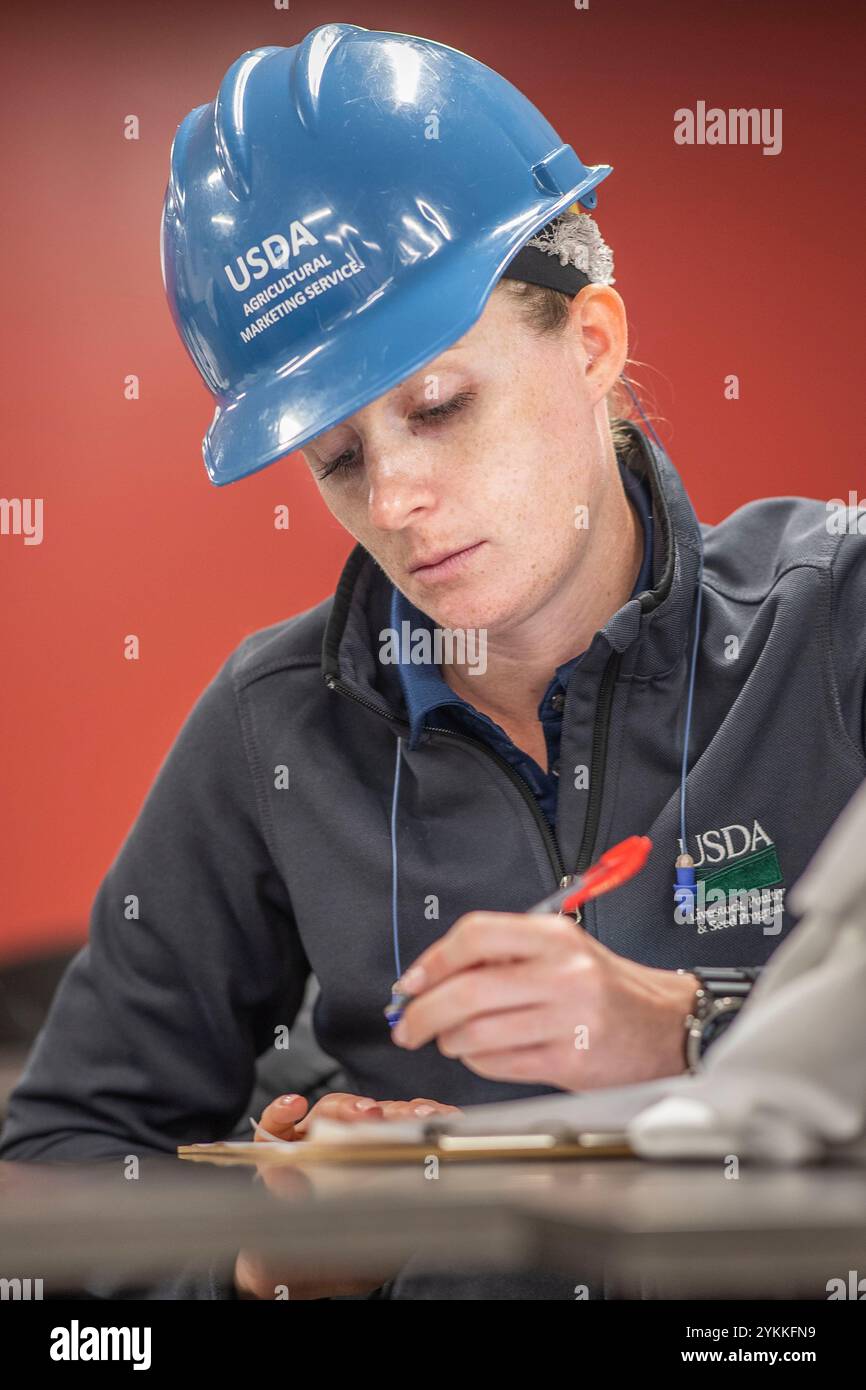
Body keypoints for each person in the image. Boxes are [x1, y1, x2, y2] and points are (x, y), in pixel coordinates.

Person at [2, 23, 865, 1302]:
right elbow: (58, 1195)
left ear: (591, 342)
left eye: (438, 405)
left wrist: (693, 1038)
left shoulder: (833, 617)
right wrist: (266, 1269)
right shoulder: (270, 730)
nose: (396, 498)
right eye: (338, 458)